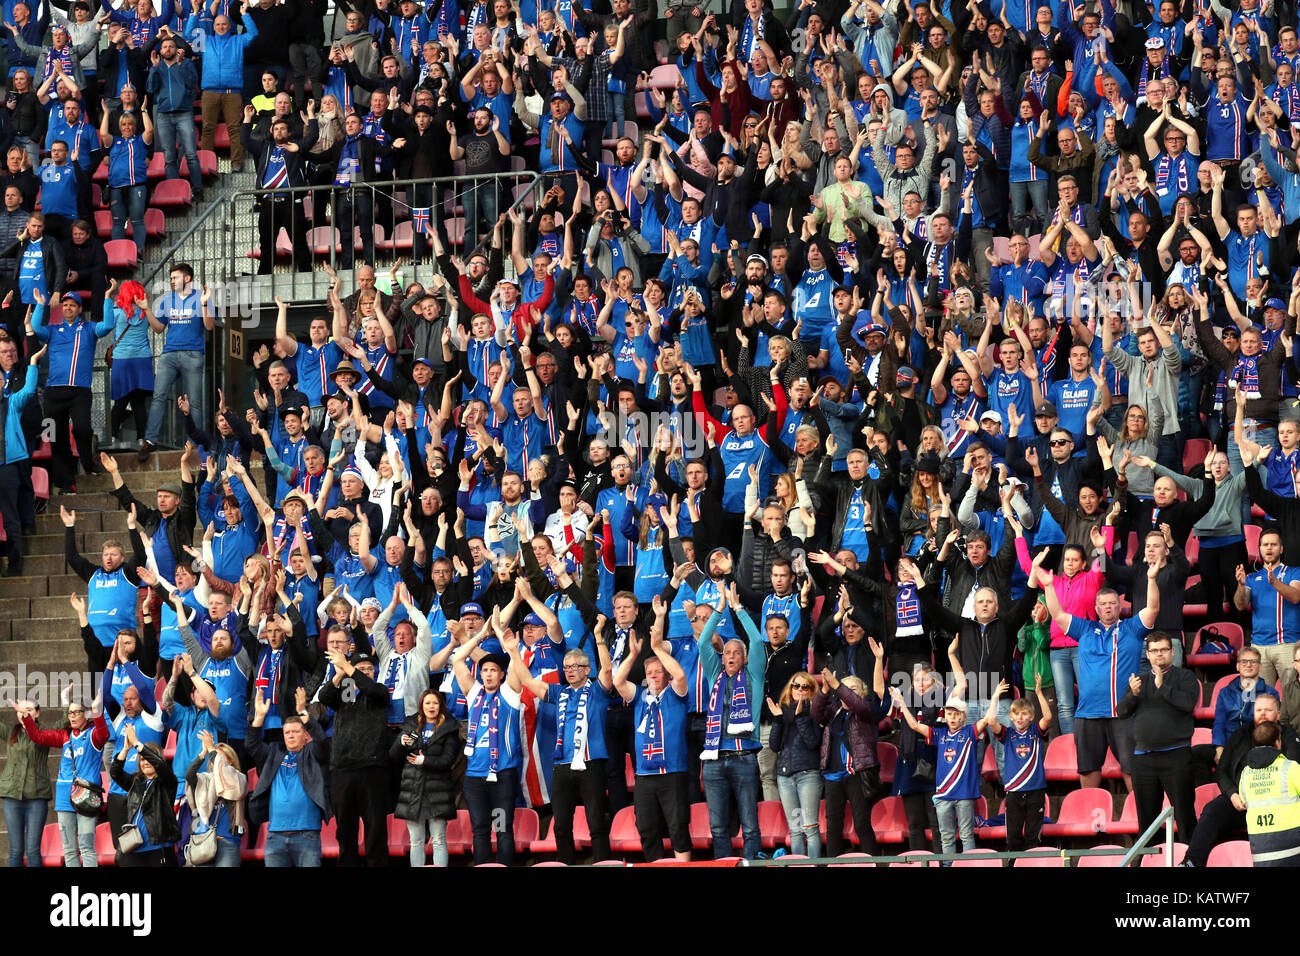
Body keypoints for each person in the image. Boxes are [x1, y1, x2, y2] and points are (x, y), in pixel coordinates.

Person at [506, 614, 614, 864]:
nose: (570, 671)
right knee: (561, 826)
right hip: (561, 766)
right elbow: (527, 681)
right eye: (566, 667)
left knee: (596, 823)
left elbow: (607, 669)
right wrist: (513, 651)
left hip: (591, 763)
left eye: (575, 666)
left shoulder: (598, 690)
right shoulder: (558, 692)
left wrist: (598, 637)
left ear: (587, 670)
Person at [614, 595, 693, 863]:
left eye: (658, 672)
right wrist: (634, 654)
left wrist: (657, 649)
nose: (653, 676)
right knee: (647, 830)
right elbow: (618, 680)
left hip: (672, 772)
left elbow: (681, 675)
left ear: (665, 675)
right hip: (644, 775)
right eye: (649, 673)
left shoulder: (676, 693)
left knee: (678, 827)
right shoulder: (639, 696)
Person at [697, 584, 766, 860]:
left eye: (737, 652)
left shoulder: (754, 677)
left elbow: (758, 642)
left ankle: (749, 864)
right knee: (717, 827)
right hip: (712, 760)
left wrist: (737, 608)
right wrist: (718, 610)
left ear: (746, 658)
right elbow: (704, 642)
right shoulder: (715, 677)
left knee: (749, 826)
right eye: (727, 653)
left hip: (744, 758)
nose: (731, 656)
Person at [451, 620, 523, 865]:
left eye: (493, 670)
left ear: (501, 674)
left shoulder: (510, 693)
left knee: (502, 829)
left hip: (502, 774)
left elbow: (515, 662)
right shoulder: (474, 694)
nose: (489, 674)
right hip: (474, 777)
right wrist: (481, 635)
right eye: (484, 670)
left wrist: (507, 643)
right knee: (480, 829)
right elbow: (457, 661)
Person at [1117, 632, 1200, 843]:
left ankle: (1189, 860)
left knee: (1184, 816)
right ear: (1148, 654)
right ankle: (1149, 861)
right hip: (1143, 759)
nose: (1158, 654)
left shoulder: (1185, 677)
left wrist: (1162, 686)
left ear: (1172, 652)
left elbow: (1188, 704)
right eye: (1154, 651)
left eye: (1163, 650)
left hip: (1176, 756)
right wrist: (1131, 695)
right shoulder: (1139, 680)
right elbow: (1122, 711)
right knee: (1147, 821)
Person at [246, 686, 332, 868]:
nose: (291, 736)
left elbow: (323, 742)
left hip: (307, 835)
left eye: (296, 732)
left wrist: (302, 712)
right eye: (287, 733)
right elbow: (252, 745)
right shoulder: (274, 753)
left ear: (306, 735)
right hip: (275, 835)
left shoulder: (313, 753)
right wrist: (259, 717)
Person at [390, 688, 461, 868]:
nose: (431, 707)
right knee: (416, 841)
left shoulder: (450, 728)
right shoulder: (410, 725)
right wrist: (400, 743)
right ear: (421, 705)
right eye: (427, 703)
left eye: (435, 703)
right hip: (413, 791)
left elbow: (448, 760)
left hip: (438, 793)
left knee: (438, 840)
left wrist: (424, 760)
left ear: (441, 706)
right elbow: (392, 756)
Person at [985, 673, 1053, 850]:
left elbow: (1048, 718)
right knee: (1013, 838)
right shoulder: (1007, 734)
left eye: (1024, 714)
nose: (1020, 717)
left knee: (1033, 838)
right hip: (1014, 791)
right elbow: (991, 720)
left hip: (1035, 790)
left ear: (1031, 717)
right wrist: (995, 697)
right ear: (1011, 717)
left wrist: (1038, 693)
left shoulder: (1036, 732)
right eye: (1016, 714)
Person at [767, 670, 822, 859]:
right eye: (795, 685)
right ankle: (799, 864)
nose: (799, 689)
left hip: (808, 774)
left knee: (810, 827)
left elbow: (813, 742)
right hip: (785, 776)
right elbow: (774, 746)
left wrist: (801, 718)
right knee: (795, 829)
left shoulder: (815, 712)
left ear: (811, 691)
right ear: (790, 689)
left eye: (804, 686)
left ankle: (813, 864)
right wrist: (777, 720)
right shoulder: (783, 712)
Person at [108, 727, 180, 867]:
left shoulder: (167, 781)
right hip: (134, 847)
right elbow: (115, 772)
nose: (145, 762)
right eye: (142, 759)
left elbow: (160, 764)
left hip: (159, 848)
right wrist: (126, 749)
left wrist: (137, 743)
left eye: (149, 758)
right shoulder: (136, 782)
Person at [1238, 720, 1300, 867]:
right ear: (1278, 742)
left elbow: (1244, 800)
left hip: (1261, 853)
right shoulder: (1290, 768)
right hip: (1294, 850)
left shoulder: (1245, 774)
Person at [183, 732, 248, 867]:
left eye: (219, 758)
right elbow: (189, 776)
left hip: (227, 842)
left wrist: (212, 748)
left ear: (229, 761)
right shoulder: (205, 779)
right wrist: (203, 753)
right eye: (213, 759)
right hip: (203, 841)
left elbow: (223, 771)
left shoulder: (239, 778)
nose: (215, 762)